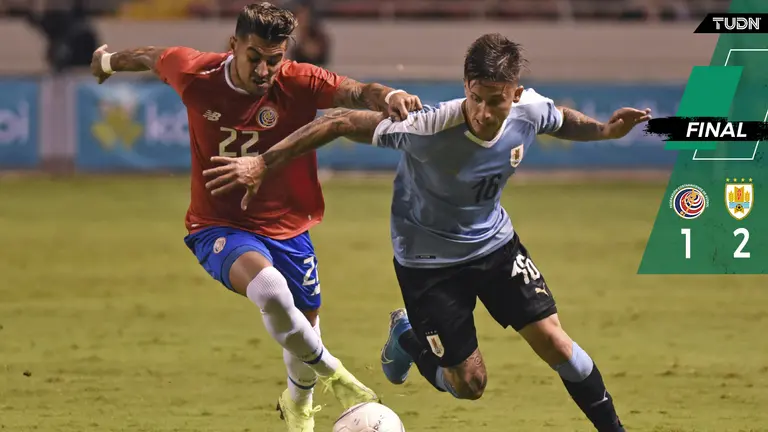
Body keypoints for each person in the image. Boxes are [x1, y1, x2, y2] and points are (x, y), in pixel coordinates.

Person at [201, 33, 652, 432]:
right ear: (465, 87)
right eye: (476, 97)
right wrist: (262, 162)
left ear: (515, 95)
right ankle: (408, 337)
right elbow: (337, 120)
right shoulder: (428, 126)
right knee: (469, 384)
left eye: (496, 101)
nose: (483, 111)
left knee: (555, 341)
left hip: (496, 245)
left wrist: (605, 131)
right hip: (428, 265)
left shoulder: (529, 110)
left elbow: (560, 118)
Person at [88, 3, 423, 432]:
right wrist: (107, 62)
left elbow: (356, 92)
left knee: (305, 321)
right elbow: (151, 57)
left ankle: (298, 406)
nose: (264, 70)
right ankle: (335, 373)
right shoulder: (196, 73)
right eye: (254, 57)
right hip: (218, 225)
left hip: (288, 226)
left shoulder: (298, 81)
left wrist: (389, 95)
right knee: (272, 292)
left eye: (274, 59)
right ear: (234, 45)